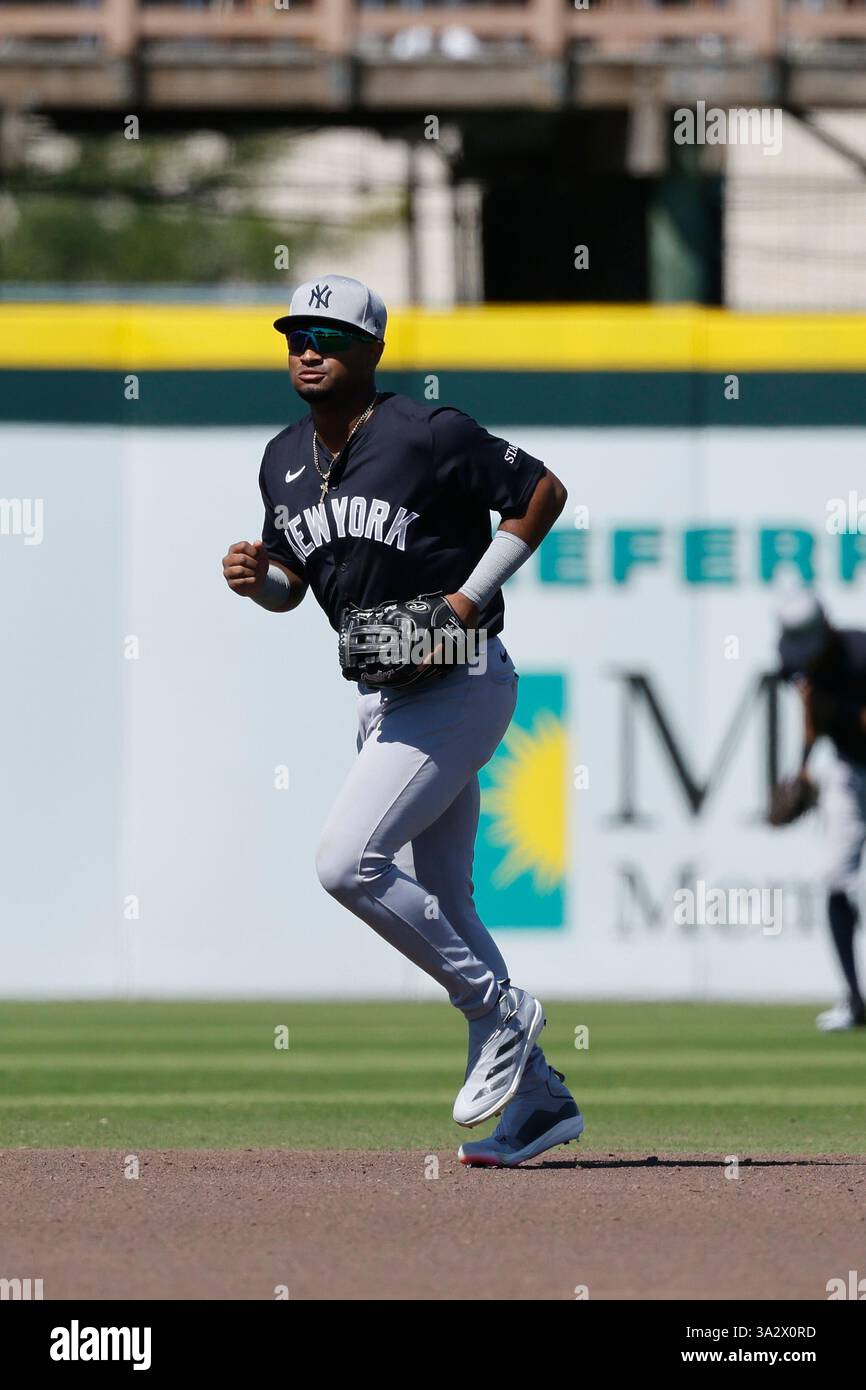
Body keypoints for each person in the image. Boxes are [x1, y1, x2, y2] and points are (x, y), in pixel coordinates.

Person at [222, 274, 584, 1165]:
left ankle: (497, 1011)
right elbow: (294, 586)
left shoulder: (429, 432)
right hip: (382, 695)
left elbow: (542, 494)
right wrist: (256, 580)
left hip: (461, 679)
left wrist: (466, 598)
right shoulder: (281, 459)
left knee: (348, 864)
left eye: (331, 335)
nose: (309, 348)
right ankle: (538, 1101)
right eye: (297, 333)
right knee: (450, 900)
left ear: (371, 352)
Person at [776, 590, 866, 1032]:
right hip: (851, 770)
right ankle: (854, 1000)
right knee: (835, 879)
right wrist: (805, 768)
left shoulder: (860, 652)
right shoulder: (792, 652)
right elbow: (808, 706)